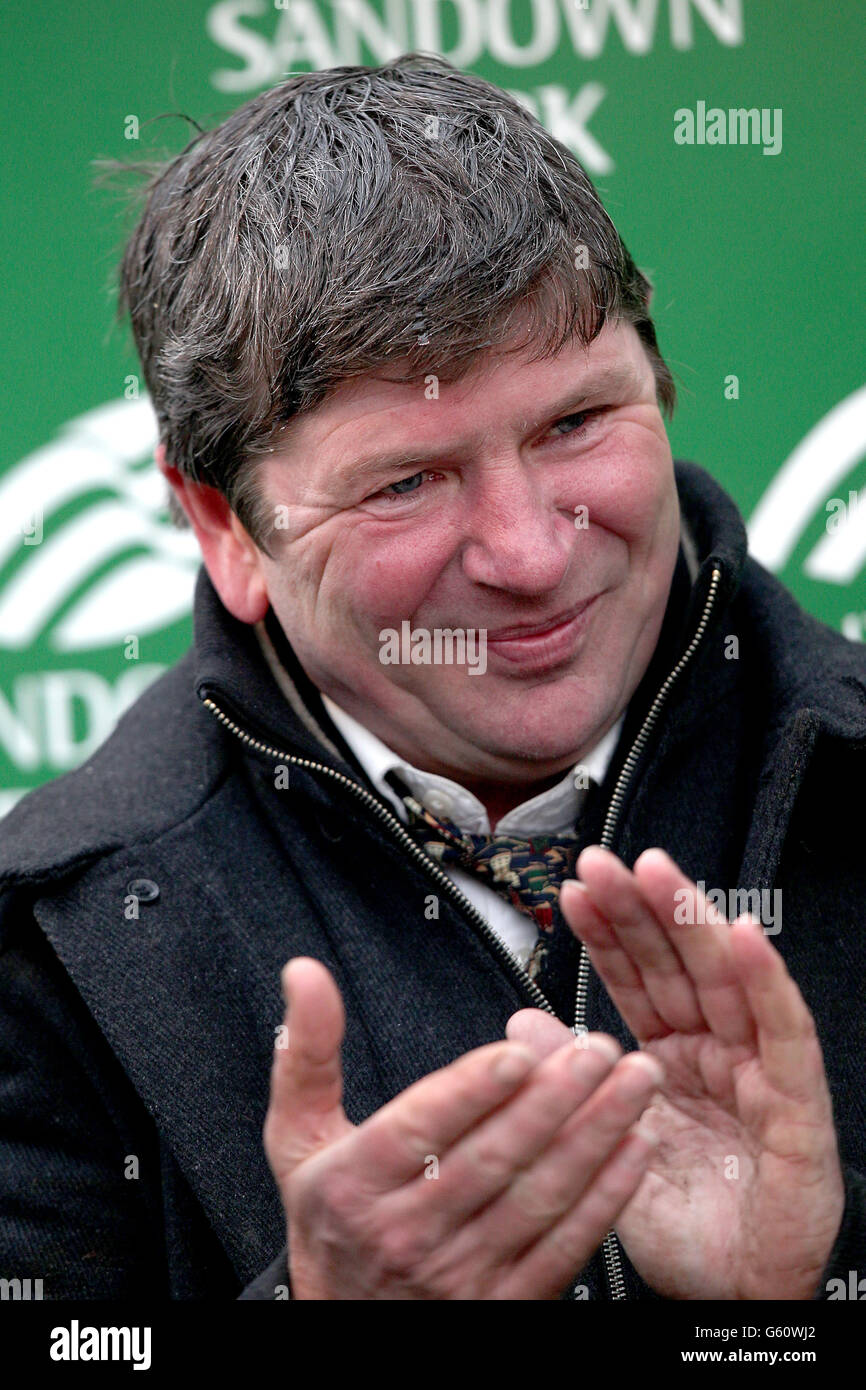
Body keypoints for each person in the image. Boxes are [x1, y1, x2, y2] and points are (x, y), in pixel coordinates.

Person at [1, 52, 864, 1303]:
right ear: (225, 528)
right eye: (407, 481)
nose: (527, 552)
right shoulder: (52, 950)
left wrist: (772, 1313)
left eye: (573, 423)